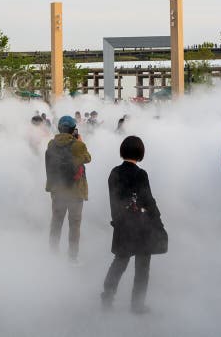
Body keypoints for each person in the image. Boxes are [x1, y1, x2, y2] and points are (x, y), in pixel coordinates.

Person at [101, 136, 166, 315]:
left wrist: (117, 220)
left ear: (122, 151)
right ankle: (137, 305)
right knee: (142, 266)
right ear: (140, 152)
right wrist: (158, 221)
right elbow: (148, 200)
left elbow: (113, 200)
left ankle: (107, 296)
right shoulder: (140, 174)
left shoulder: (114, 172)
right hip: (142, 226)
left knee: (120, 261)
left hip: (122, 224)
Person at [45, 115, 92, 263]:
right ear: (73, 129)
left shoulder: (51, 144)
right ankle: (72, 257)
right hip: (75, 191)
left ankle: (53, 252)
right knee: (74, 225)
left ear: (59, 128)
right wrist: (80, 141)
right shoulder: (78, 145)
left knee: (56, 222)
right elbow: (88, 158)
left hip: (58, 190)